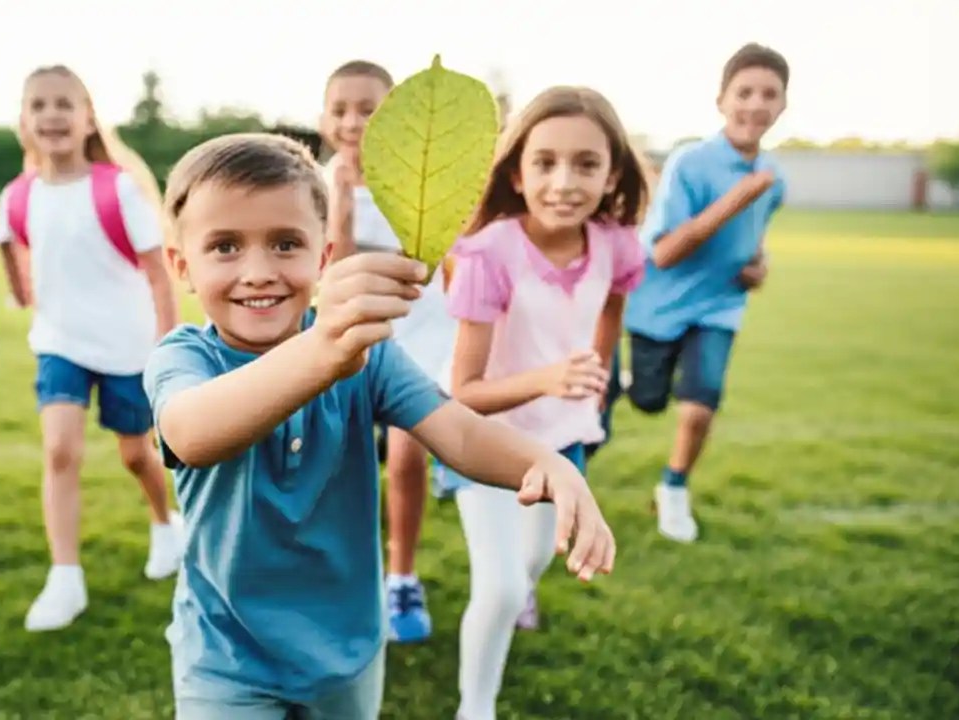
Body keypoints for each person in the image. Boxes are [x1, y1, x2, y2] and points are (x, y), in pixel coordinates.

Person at [143, 132, 616, 720]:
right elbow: (192, 433)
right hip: (225, 659)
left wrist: (548, 464)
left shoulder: (370, 358)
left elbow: (461, 434)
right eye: (225, 247)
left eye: (287, 244)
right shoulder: (184, 358)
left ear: (323, 256)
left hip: (348, 652)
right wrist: (323, 347)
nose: (259, 271)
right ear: (181, 265)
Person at [435, 86, 648, 720]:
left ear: (612, 173)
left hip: (564, 436)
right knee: (499, 587)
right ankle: (475, 708)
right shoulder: (488, 255)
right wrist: (547, 378)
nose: (565, 181)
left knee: (530, 563)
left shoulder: (616, 245)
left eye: (586, 163)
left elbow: (610, 305)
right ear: (517, 173)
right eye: (546, 162)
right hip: (487, 440)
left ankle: (518, 595)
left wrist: (598, 370)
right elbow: (464, 393)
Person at [0, 65, 185, 632]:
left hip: (128, 345)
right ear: (23, 121)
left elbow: (158, 276)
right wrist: (23, 289)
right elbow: (13, 251)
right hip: (60, 344)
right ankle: (65, 578)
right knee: (59, 452)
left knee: (135, 455)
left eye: (63, 104)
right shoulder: (17, 195)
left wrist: (165, 345)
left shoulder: (117, 187)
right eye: (38, 105)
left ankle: (164, 525)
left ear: (87, 117)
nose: (51, 115)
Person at [623, 42, 790, 543]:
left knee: (701, 403)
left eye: (769, 94)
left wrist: (759, 266)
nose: (756, 104)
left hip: (720, 306)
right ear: (721, 100)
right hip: (659, 307)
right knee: (650, 402)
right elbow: (666, 253)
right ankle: (636, 380)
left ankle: (674, 489)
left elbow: (755, 241)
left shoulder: (774, 177)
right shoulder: (689, 163)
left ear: (783, 106)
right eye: (745, 92)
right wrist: (737, 198)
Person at [320, 59, 455, 643]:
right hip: (354, 336)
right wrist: (343, 205)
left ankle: (401, 576)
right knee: (341, 464)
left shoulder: (416, 180)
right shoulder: (322, 181)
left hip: (420, 334)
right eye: (340, 108)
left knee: (404, 459)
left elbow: (435, 262)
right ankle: (344, 577)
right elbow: (334, 272)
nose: (353, 122)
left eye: (369, 109)